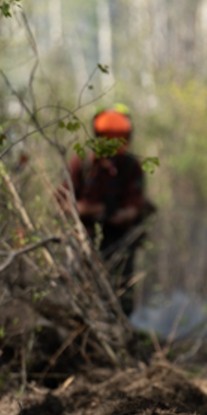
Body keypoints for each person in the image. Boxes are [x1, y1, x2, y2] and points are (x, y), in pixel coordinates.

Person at [59, 104, 149, 316]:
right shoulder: (82, 164)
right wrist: (93, 211)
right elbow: (64, 202)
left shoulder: (130, 166)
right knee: (81, 292)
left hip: (120, 241)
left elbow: (134, 207)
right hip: (85, 239)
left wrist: (119, 214)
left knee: (120, 295)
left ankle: (120, 333)